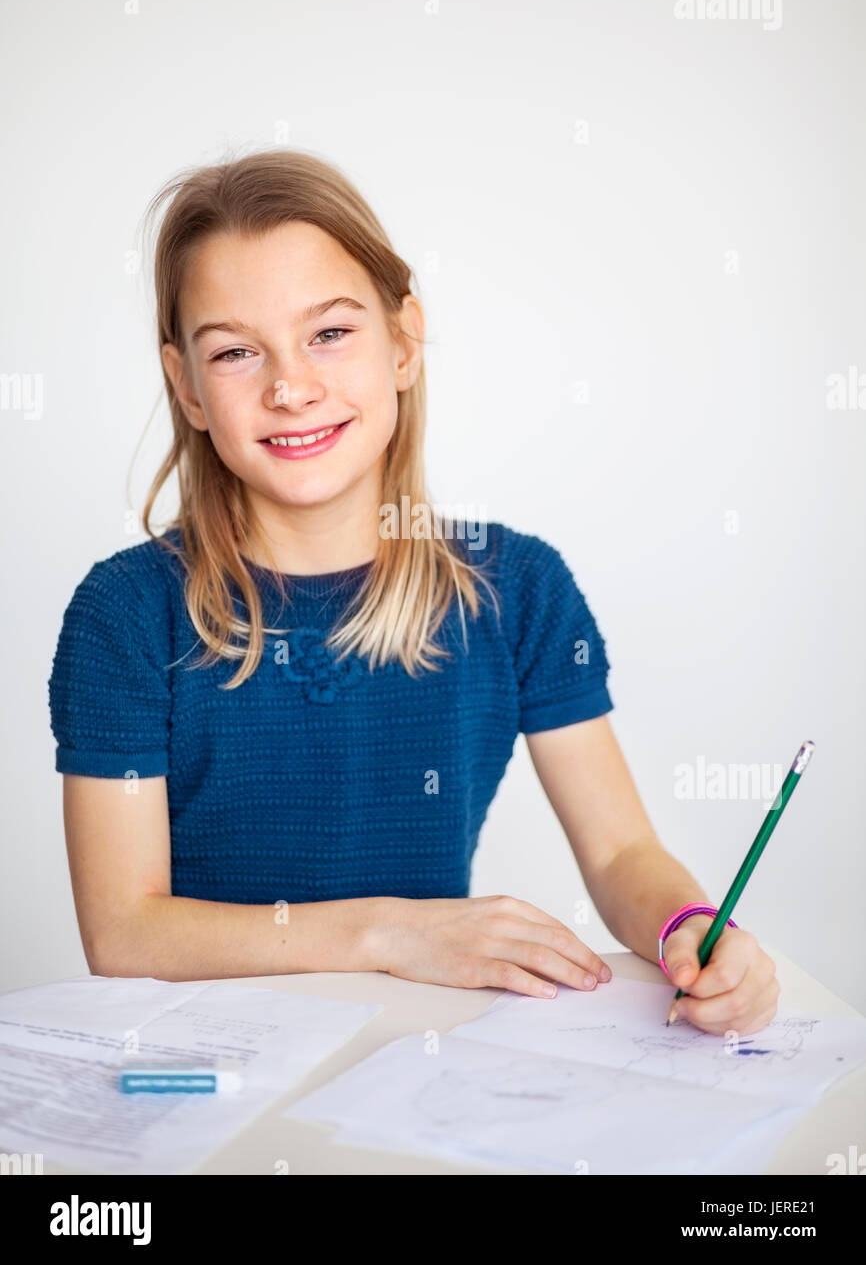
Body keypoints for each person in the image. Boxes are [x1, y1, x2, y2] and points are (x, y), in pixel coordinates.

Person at [48, 148, 778, 1034]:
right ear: (188, 389)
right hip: (208, 1079)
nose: (290, 386)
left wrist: (689, 926)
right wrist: (392, 931)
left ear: (402, 342)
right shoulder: (125, 613)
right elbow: (126, 933)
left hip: (414, 1068)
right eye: (237, 352)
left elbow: (623, 849)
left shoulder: (518, 589)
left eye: (329, 333)